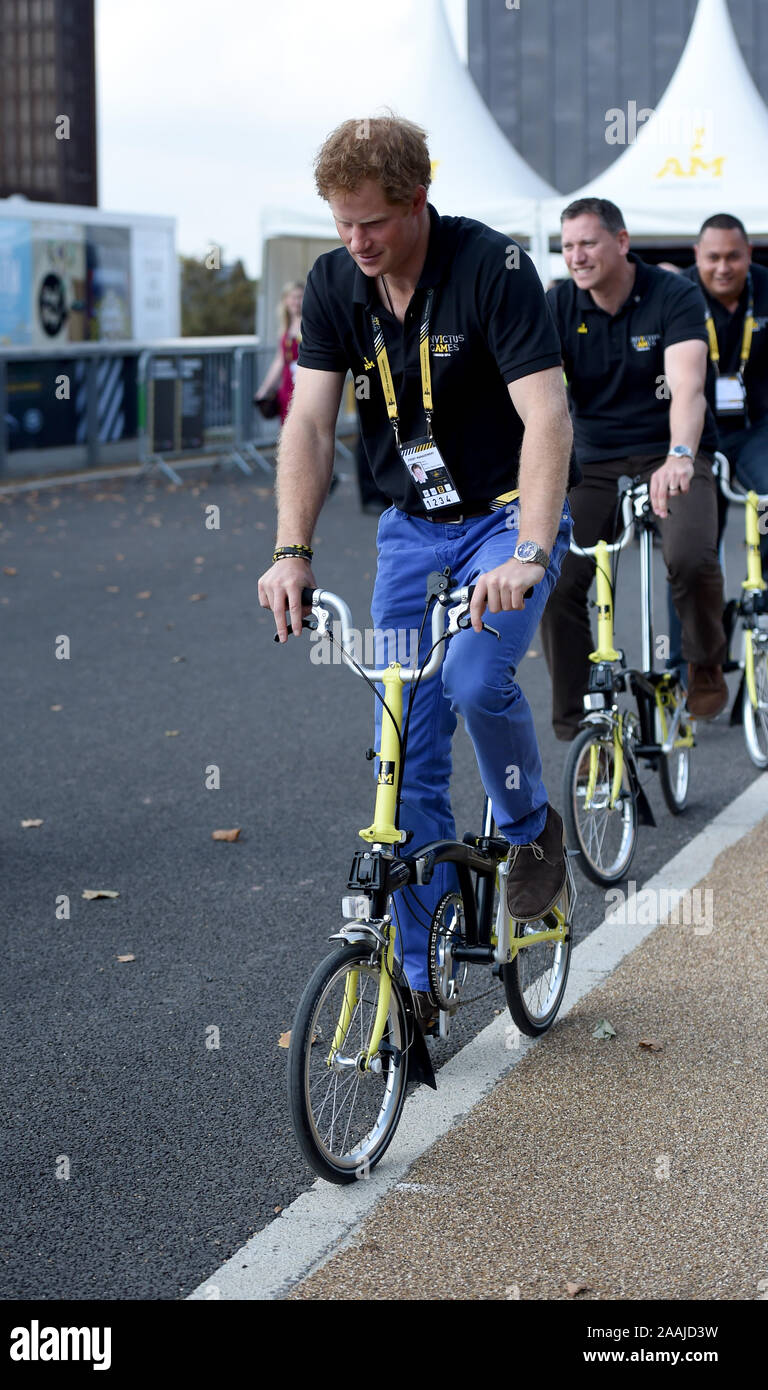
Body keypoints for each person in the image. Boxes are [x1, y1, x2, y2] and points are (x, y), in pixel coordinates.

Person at [257, 115, 574, 1022]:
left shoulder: (494, 270)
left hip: (506, 520)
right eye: (341, 224)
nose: (355, 242)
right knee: (406, 743)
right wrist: (292, 551)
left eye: (372, 223)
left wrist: (527, 553)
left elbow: (548, 421)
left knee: (476, 677)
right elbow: (311, 425)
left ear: (418, 202)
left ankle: (529, 832)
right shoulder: (334, 285)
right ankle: (420, 968)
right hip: (413, 528)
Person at [541, 197, 727, 739]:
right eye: (568, 246)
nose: (576, 256)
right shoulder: (559, 305)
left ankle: (705, 661)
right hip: (595, 459)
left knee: (690, 555)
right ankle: (581, 729)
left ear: (621, 242)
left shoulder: (674, 294)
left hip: (670, 449)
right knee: (555, 576)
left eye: (587, 243)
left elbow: (687, 387)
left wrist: (680, 456)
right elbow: (540, 398)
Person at [685, 213, 768, 578]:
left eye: (733, 256)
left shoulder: (766, 286)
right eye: (713, 257)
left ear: (749, 253)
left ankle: (760, 604)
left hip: (757, 429)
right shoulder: (677, 294)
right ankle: (702, 632)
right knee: (691, 543)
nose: (723, 267)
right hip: (698, 433)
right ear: (697, 254)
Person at [255, 281, 304, 424]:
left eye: (300, 297)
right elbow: (280, 360)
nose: (296, 301)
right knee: (286, 429)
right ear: (286, 300)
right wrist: (264, 389)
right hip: (286, 386)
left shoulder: (311, 323)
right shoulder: (286, 326)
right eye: (293, 297)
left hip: (305, 384)